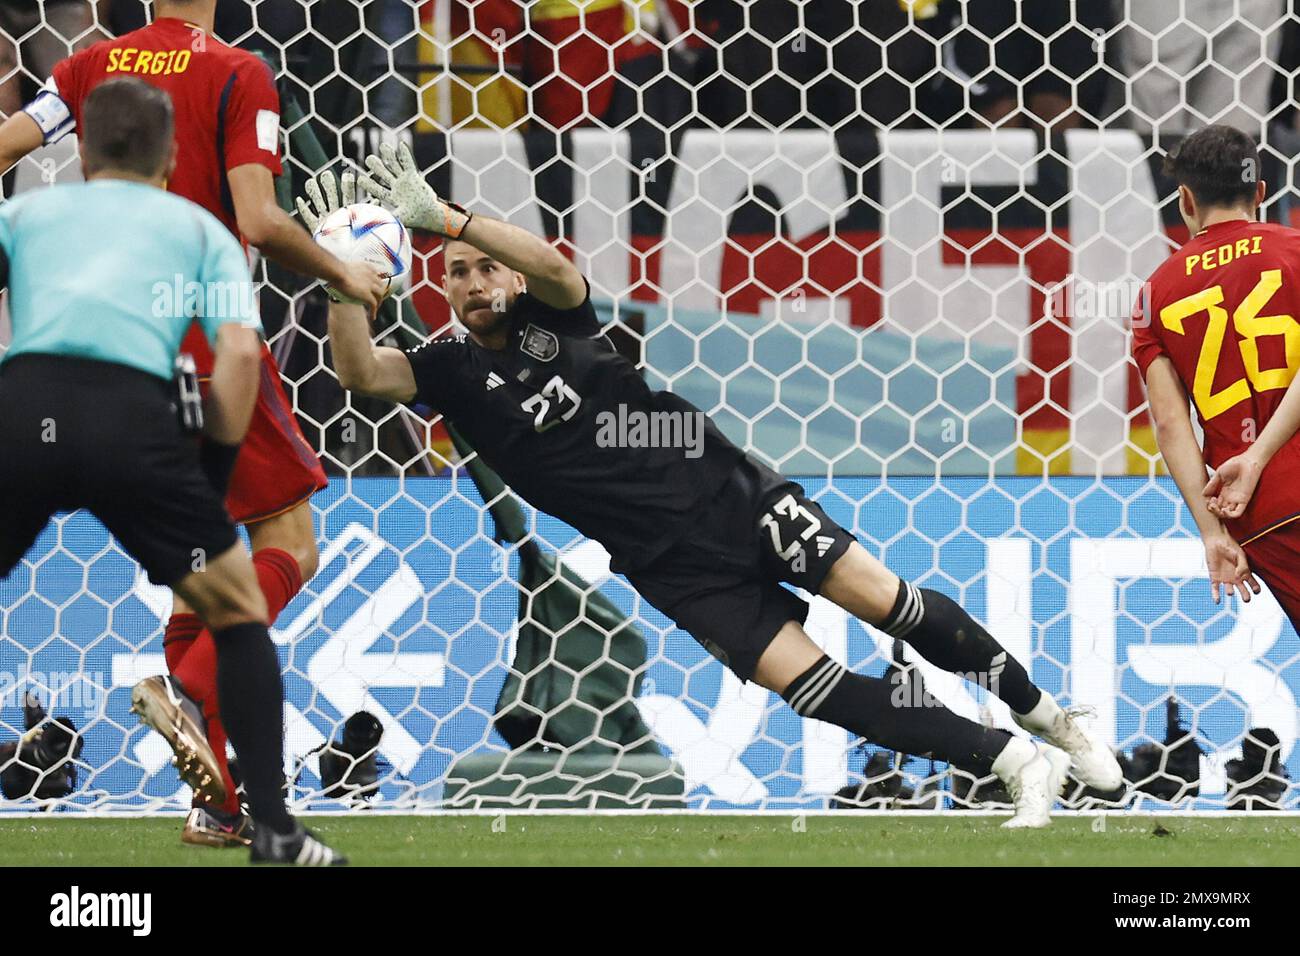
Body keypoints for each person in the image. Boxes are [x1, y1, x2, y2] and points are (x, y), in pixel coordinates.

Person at [299, 144, 1125, 827]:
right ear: (438, 289)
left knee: (886, 599)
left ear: (510, 280)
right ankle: (1017, 764)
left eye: (486, 269)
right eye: (456, 273)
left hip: (730, 494)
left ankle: (1047, 715)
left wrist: (444, 219)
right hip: (667, 565)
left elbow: (550, 258)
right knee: (813, 689)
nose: (475, 283)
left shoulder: (559, 313)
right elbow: (362, 370)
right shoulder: (445, 369)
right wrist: (344, 283)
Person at [0, 0, 387, 848]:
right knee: (289, 541)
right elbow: (256, 220)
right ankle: (195, 693)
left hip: (77, 358)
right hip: (201, 334)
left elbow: (8, 144)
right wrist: (346, 273)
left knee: (191, 570)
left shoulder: (90, 70)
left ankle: (216, 806)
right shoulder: (238, 70)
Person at [1134, 124, 1300, 626]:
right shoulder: (1293, 250)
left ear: (1185, 199)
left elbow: (1169, 424)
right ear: (1261, 192)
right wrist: (1262, 453)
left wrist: (1212, 532)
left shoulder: (1154, 295)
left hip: (1261, 512)